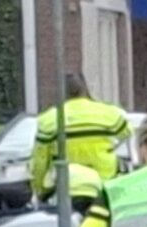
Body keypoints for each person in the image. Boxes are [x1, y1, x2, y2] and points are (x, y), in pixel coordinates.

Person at [29, 73, 132, 202]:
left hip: (65, 186)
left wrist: (39, 189)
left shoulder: (48, 120)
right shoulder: (111, 114)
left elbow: (40, 160)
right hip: (104, 183)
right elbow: (128, 139)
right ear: (85, 89)